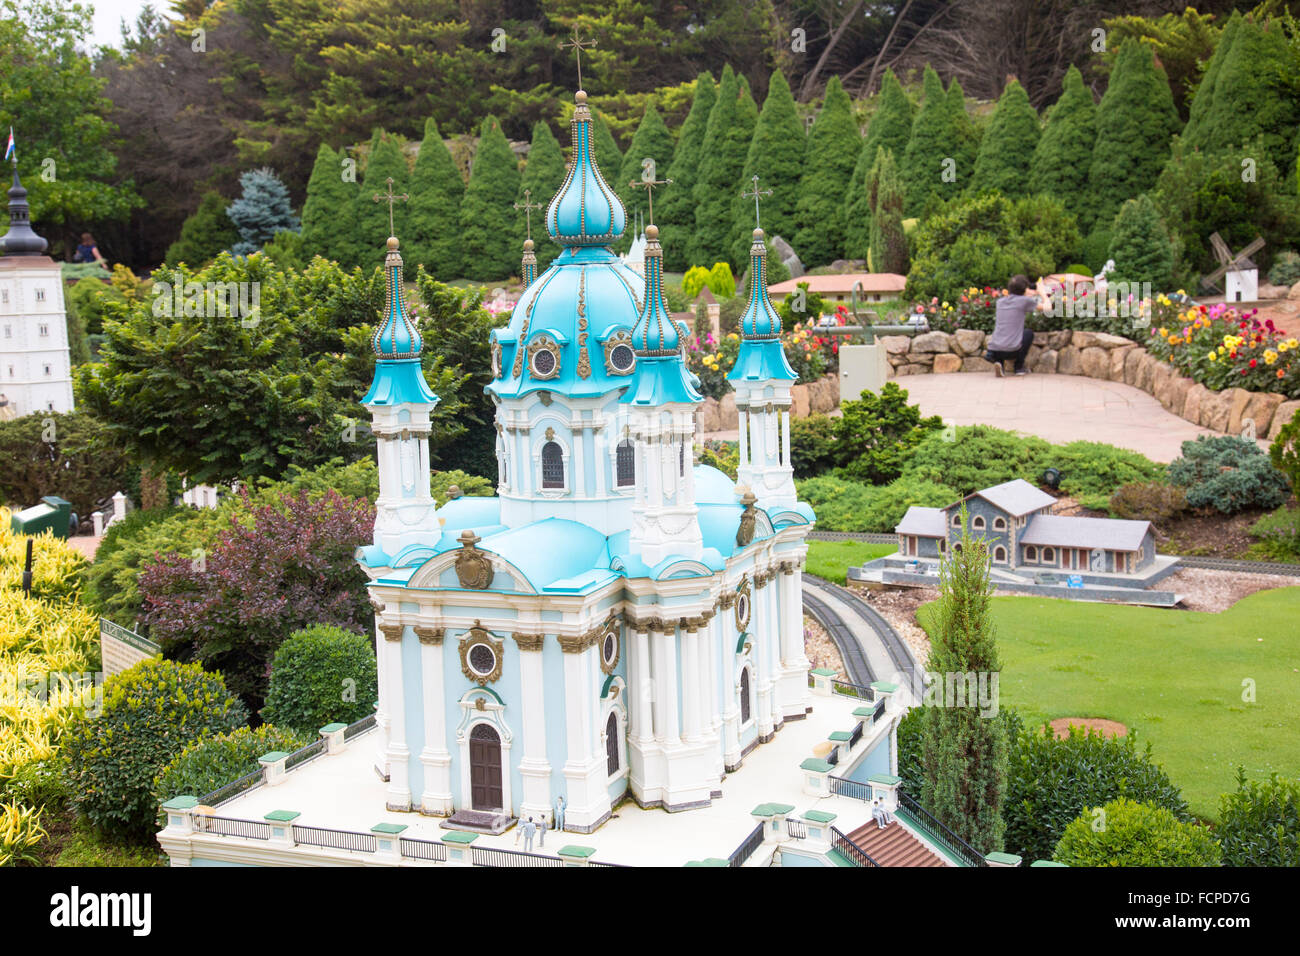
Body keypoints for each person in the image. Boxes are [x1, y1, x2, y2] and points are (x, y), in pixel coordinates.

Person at [985, 274, 1047, 376]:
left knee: (1004, 331)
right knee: (1028, 333)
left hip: (994, 350)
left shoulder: (1000, 302)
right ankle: (1018, 367)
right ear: (1024, 289)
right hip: (1012, 351)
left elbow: (1018, 300)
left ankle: (999, 363)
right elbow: (1047, 307)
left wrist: (1030, 293)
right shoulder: (1024, 301)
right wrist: (1042, 293)